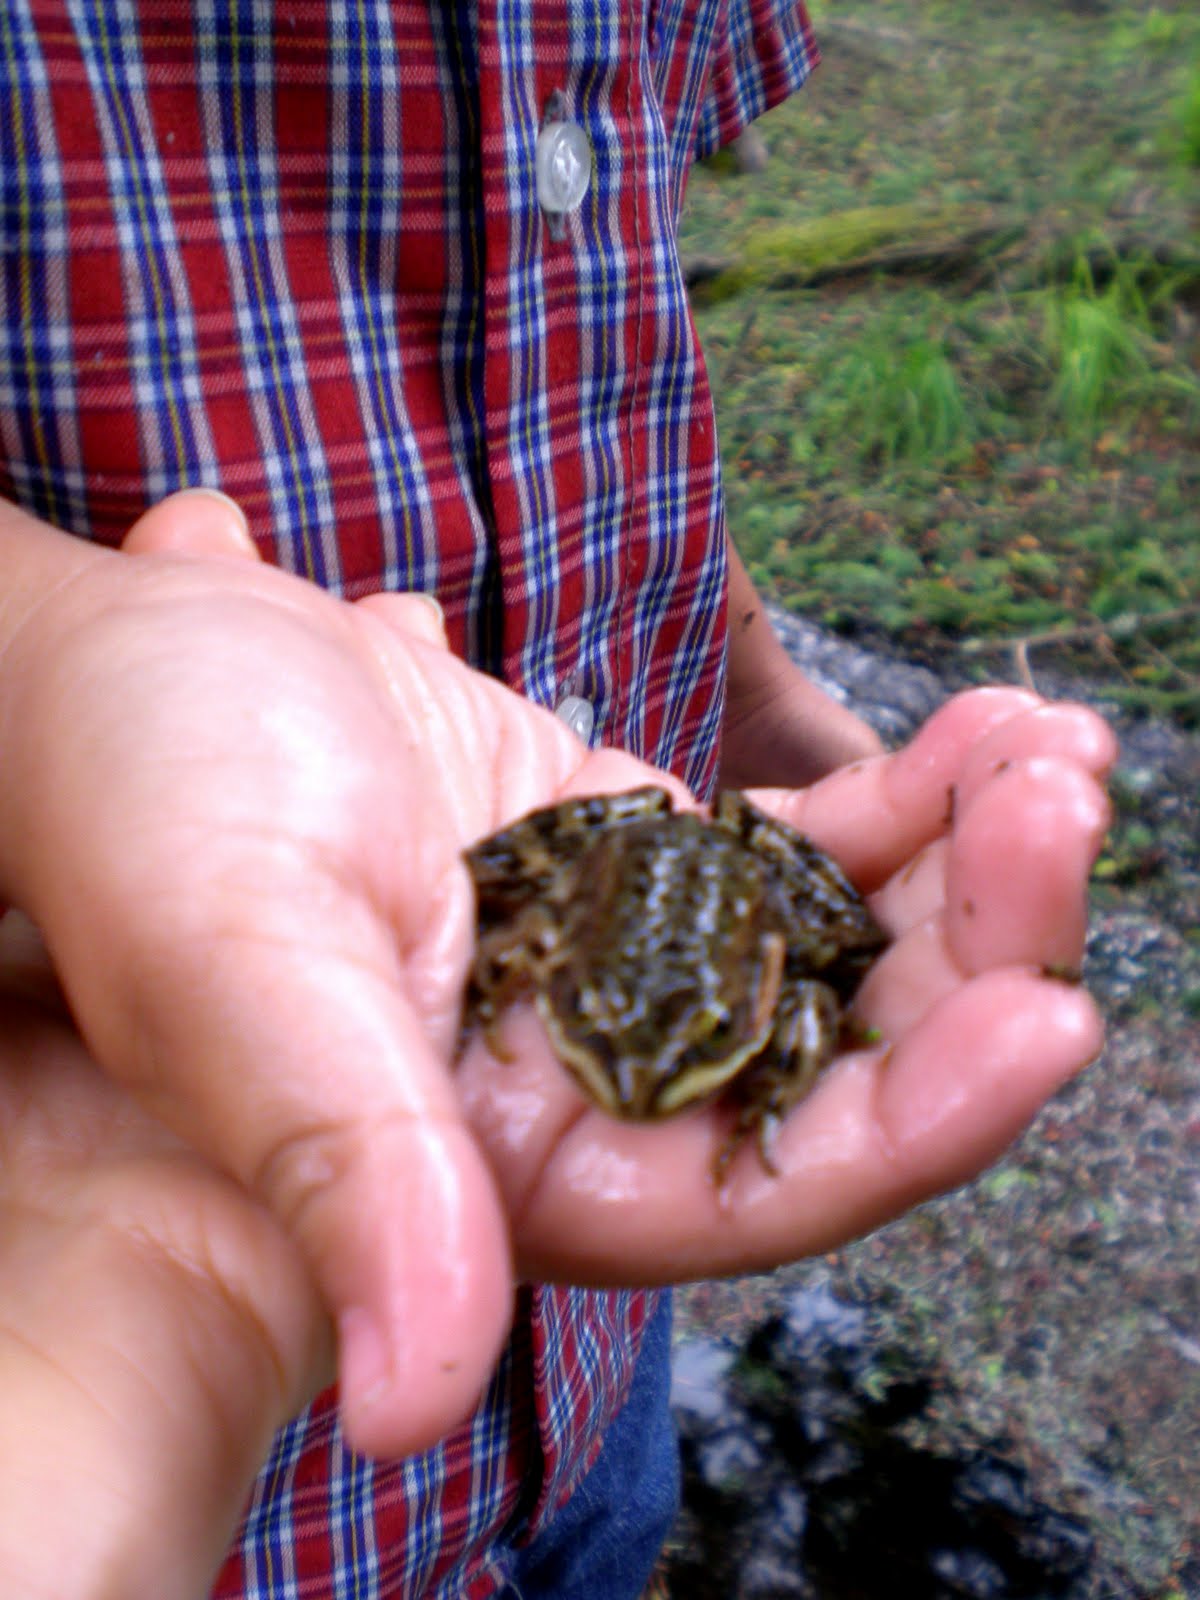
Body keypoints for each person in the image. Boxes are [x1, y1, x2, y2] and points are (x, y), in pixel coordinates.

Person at [0, 3, 1115, 1597]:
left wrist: (749, 692)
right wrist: (42, 650)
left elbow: (613, 309)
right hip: (278, 1480)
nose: (642, 1072)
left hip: (591, 1363)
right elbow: (535, 918)